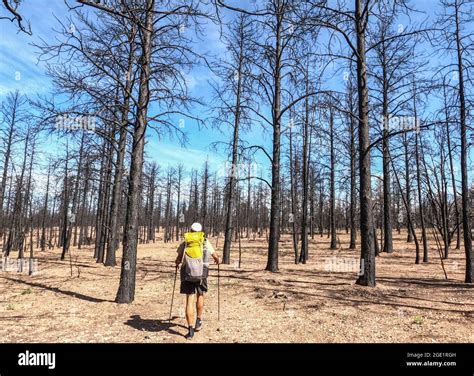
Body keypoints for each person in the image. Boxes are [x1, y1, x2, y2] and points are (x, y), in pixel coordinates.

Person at [175, 222, 220, 340]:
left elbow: (179, 258)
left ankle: (190, 330)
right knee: (200, 294)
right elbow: (215, 255)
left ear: (190, 230)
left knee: (189, 298)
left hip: (187, 271)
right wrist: (217, 259)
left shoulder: (186, 241)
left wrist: (177, 263)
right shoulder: (204, 241)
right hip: (202, 272)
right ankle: (198, 322)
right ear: (200, 231)